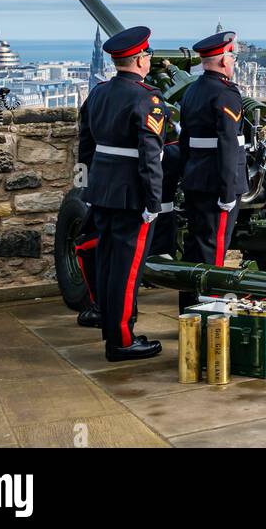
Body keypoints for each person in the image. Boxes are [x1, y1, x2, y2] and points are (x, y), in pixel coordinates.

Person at [76, 26, 164, 361]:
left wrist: (88, 183)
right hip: (132, 196)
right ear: (141, 59)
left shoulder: (98, 93)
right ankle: (122, 341)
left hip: (102, 190)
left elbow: (86, 145)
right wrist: (153, 202)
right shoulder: (147, 99)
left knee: (110, 264)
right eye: (148, 56)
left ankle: (113, 330)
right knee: (127, 271)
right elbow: (150, 156)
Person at [177, 31, 248, 311]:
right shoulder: (225, 92)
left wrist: (187, 174)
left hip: (196, 177)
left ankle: (189, 308)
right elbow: (228, 143)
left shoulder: (193, 90)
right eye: (231, 56)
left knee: (195, 248)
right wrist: (228, 190)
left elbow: (185, 141)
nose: (232, 61)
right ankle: (211, 311)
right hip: (218, 182)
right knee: (214, 251)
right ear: (221, 60)